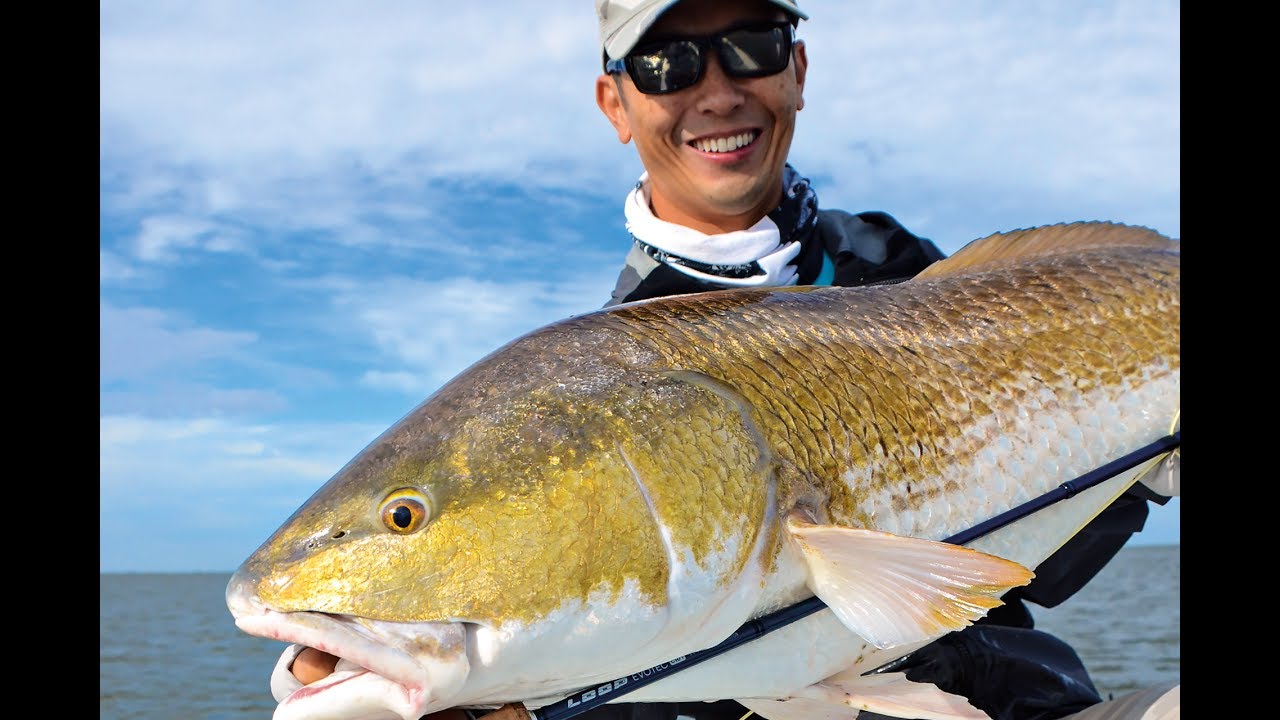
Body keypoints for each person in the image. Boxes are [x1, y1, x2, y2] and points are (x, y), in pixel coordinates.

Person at [290, 1, 1173, 718]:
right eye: (667, 63)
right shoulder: (592, 375)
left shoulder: (899, 268)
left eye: (751, 46)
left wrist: (1150, 465)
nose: (716, 93)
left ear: (796, 72)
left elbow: (1034, 563)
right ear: (615, 103)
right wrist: (499, 698)